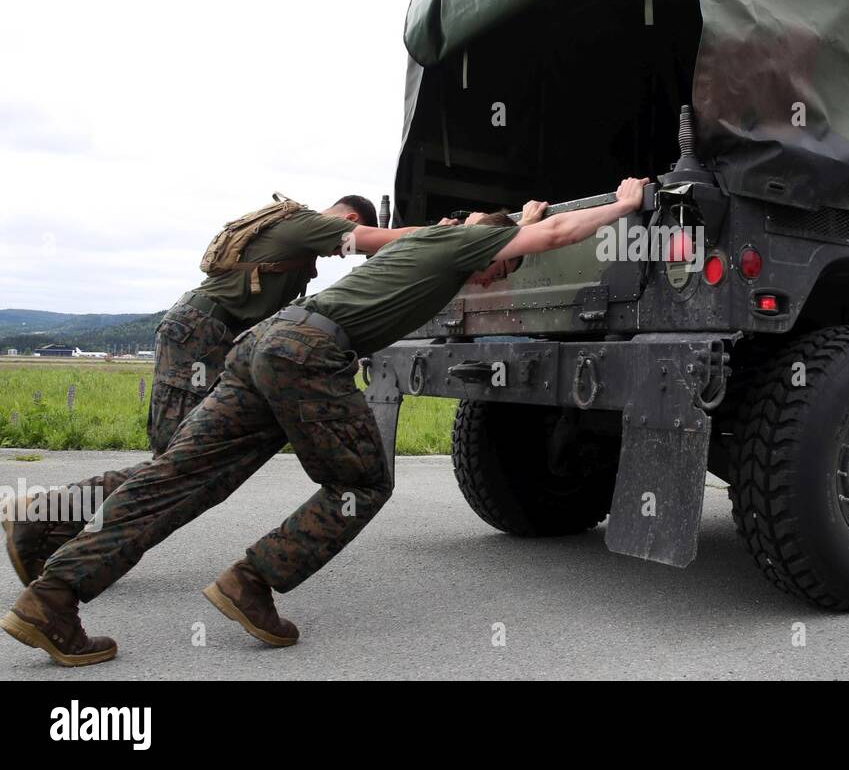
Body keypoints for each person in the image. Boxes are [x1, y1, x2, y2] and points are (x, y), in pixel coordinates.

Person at [0, 178, 644, 666]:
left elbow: (524, 227)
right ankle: (252, 582)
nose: (499, 276)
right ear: (490, 243)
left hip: (263, 346)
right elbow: (550, 236)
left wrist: (521, 219)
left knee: (186, 474)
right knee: (363, 483)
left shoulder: (435, 243)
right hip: (309, 354)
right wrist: (623, 203)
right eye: (505, 264)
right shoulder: (466, 242)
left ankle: (51, 599)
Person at [0, 193, 416, 586]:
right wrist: (447, 231)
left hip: (209, 337)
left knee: (186, 463)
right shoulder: (310, 224)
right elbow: (375, 241)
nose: (337, 255)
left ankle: (50, 526)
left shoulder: (293, 231)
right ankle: (43, 515)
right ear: (351, 219)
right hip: (202, 336)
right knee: (181, 463)